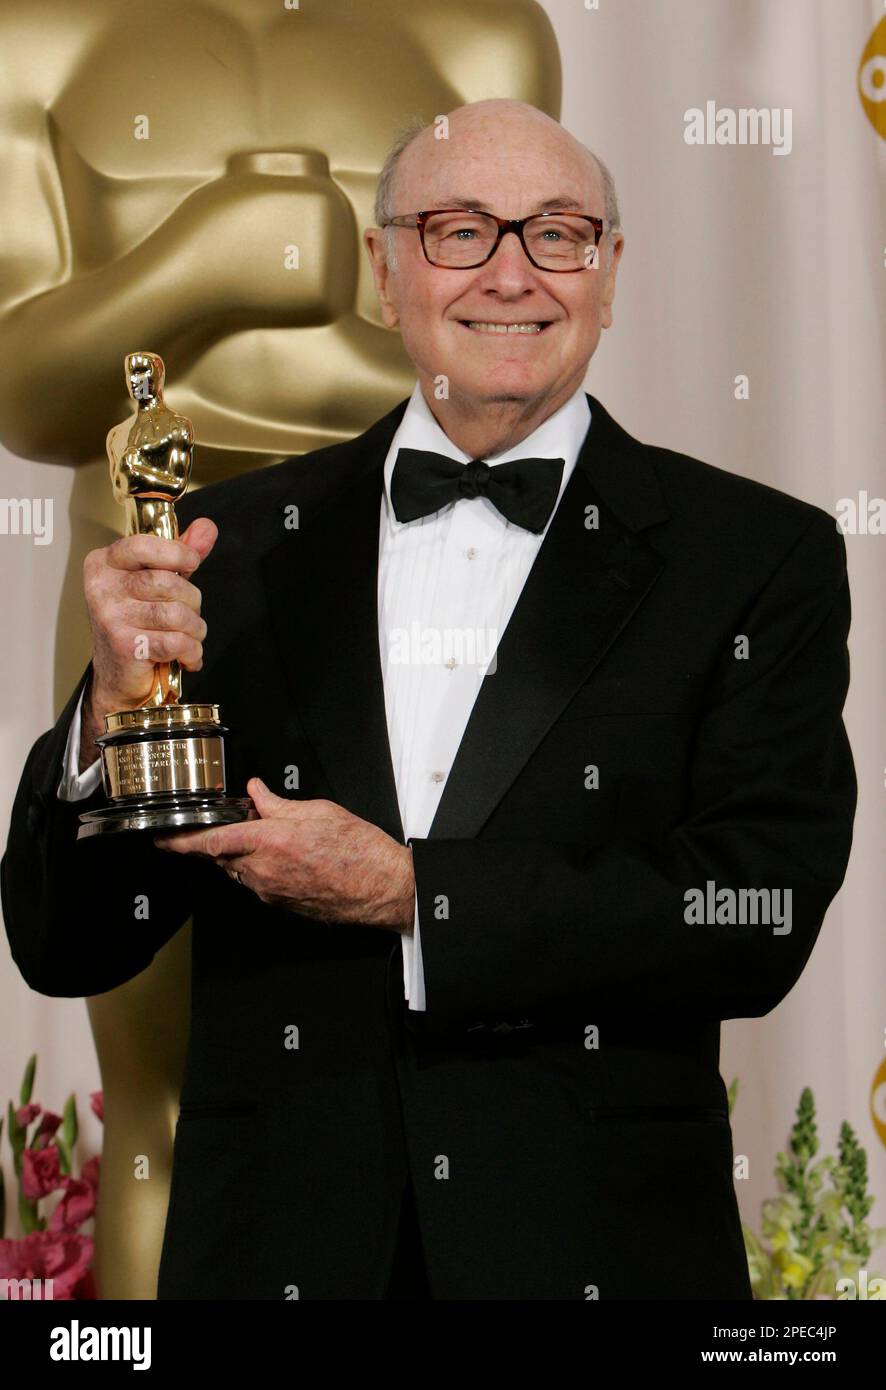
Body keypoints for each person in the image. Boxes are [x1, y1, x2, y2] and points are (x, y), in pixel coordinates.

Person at [1, 99, 856, 1300]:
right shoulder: (230, 545)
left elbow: (750, 911)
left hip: (595, 1259)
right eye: (458, 230)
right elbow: (66, 940)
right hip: (277, 1257)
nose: (511, 274)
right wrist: (110, 712)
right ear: (383, 269)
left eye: (557, 233)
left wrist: (417, 896)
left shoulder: (756, 556)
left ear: (610, 272)